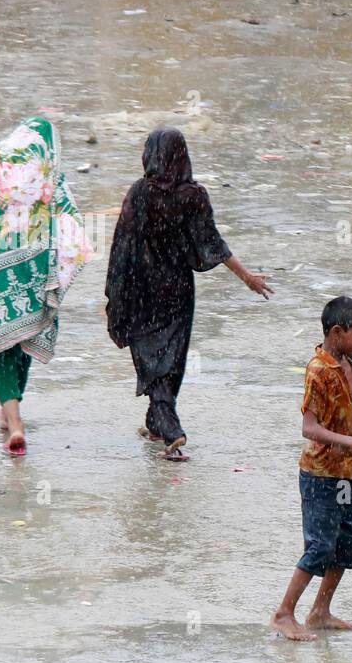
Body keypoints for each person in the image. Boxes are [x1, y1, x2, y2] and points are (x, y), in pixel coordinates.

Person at [105, 128, 273, 461]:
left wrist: (115, 293)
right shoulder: (193, 195)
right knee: (172, 355)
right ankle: (157, 419)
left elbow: (121, 246)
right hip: (176, 289)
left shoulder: (140, 193)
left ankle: (169, 425)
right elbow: (213, 244)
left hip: (141, 288)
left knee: (148, 351)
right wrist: (247, 278)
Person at [0, 117, 94, 456]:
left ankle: (11, 416)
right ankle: (12, 415)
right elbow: (73, 225)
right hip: (33, 276)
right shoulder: (48, 172)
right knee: (24, 338)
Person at [270, 297, 352, 642]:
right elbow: (309, 427)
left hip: (344, 473)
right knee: (320, 546)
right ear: (337, 332)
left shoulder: (348, 363)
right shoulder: (318, 369)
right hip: (320, 473)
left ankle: (320, 611)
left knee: (345, 543)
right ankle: (283, 613)